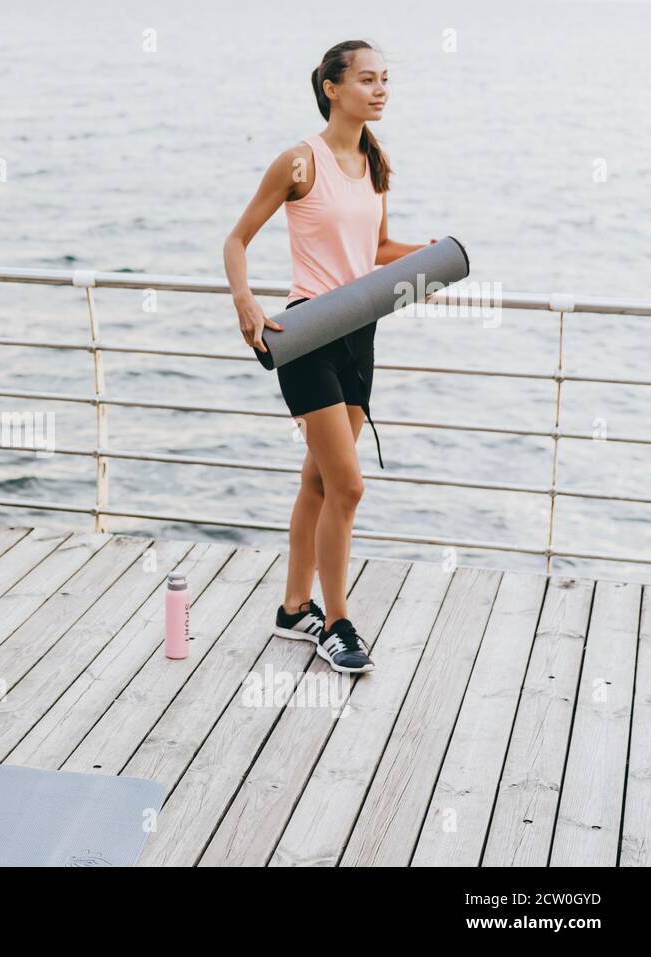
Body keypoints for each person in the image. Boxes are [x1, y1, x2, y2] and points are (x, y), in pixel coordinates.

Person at [223, 40, 436, 674]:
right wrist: (246, 304)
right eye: (367, 79)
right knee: (348, 484)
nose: (380, 90)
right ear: (332, 89)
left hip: (360, 334)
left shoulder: (374, 161)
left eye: (385, 80)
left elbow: (373, 248)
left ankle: (294, 609)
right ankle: (337, 622)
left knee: (319, 480)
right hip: (308, 335)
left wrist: (426, 256)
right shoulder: (298, 162)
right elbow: (237, 240)